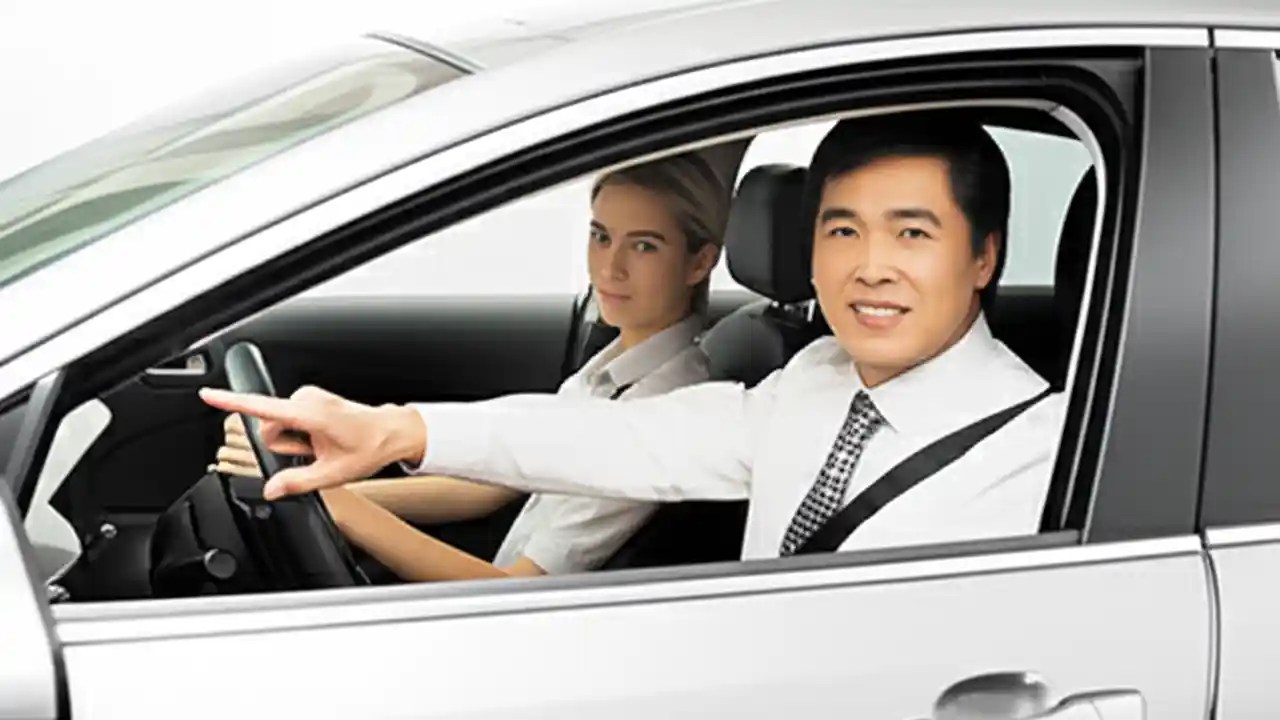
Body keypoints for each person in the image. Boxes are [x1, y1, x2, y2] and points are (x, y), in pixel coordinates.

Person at [200, 112, 1068, 561]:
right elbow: (626, 435)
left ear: (984, 254)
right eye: (843, 231)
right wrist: (397, 429)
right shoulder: (813, 376)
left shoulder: (1047, 458)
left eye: (912, 233)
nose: (870, 266)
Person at [206, 141, 748, 581]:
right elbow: (492, 485)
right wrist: (334, 491)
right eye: (600, 236)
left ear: (700, 261)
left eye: (645, 246)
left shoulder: (665, 411)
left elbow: (518, 592)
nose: (610, 269)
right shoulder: (617, 364)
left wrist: (341, 508)